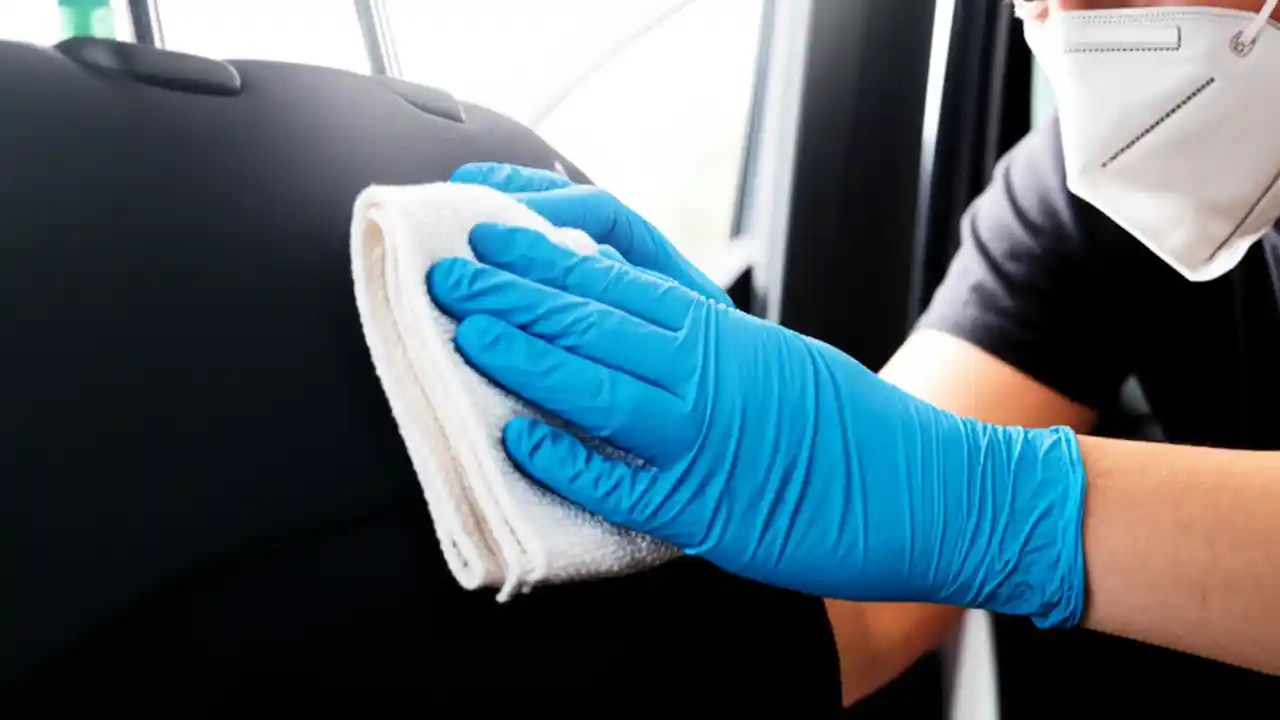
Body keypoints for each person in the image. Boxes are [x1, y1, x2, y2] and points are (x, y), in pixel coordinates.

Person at [425, 0, 1280, 708]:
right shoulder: (1096, 194)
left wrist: (998, 504)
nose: (1048, 13)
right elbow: (863, 610)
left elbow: (944, 492)